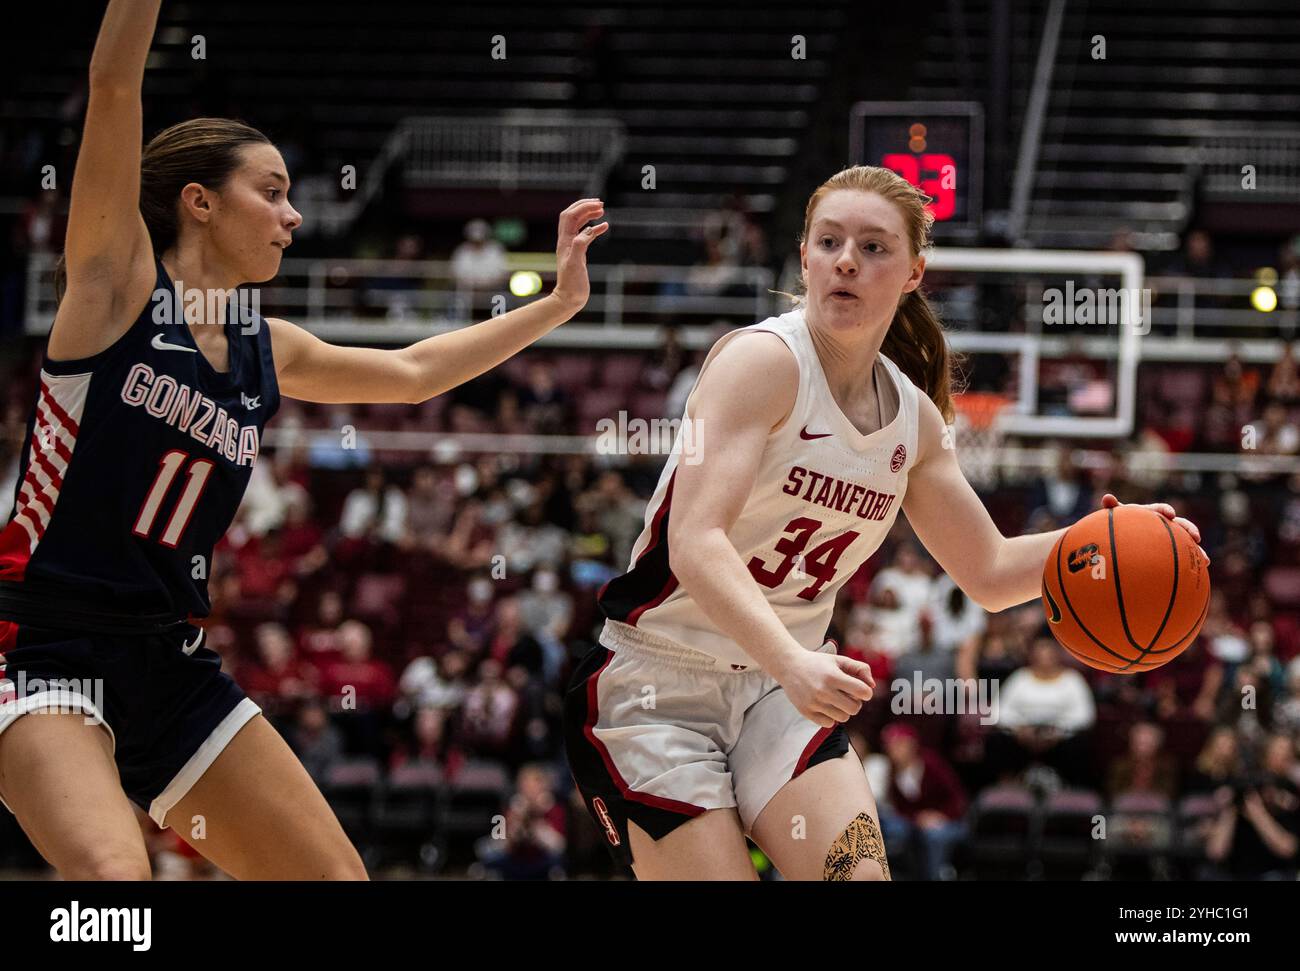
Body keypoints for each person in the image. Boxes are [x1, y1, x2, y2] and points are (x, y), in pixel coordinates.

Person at [0, 0, 606, 880]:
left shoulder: (265, 343)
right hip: (41, 644)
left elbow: (412, 373)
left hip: (167, 658)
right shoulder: (114, 285)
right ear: (198, 202)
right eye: (272, 192)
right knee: (115, 882)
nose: (293, 216)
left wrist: (554, 307)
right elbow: (113, 82)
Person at [563, 164, 1203, 881]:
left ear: (912, 273)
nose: (846, 259)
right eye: (829, 241)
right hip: (658, 689)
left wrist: (1111, 539)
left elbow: (988, 571)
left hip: (778, 690)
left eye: (873, 247)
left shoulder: (914, 422)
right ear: (803, 256)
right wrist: (793, 660)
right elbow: (694, 540)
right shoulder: (761, 363)